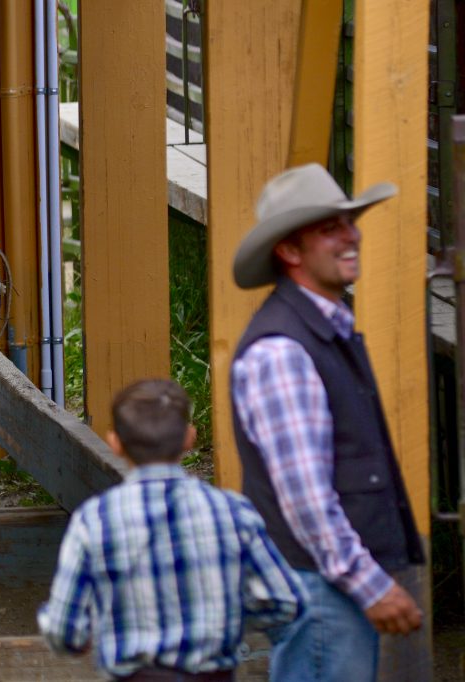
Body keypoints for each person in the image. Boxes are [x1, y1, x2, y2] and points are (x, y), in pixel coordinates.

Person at [229, 163, 426, 681]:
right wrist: (370, 583)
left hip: (320, 583)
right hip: (317, 585)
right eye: (329, 228)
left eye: (350, 223)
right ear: (290, 252)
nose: (351, 235)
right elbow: (306, 497)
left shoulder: (315, 331)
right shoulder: (283, 350)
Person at [38, 378, 305, 681]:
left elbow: (65, 631)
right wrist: (232, 614)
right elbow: (286, 602)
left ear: (115, 443)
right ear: (189, 438)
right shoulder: (232, 512)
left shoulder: (94, 520)